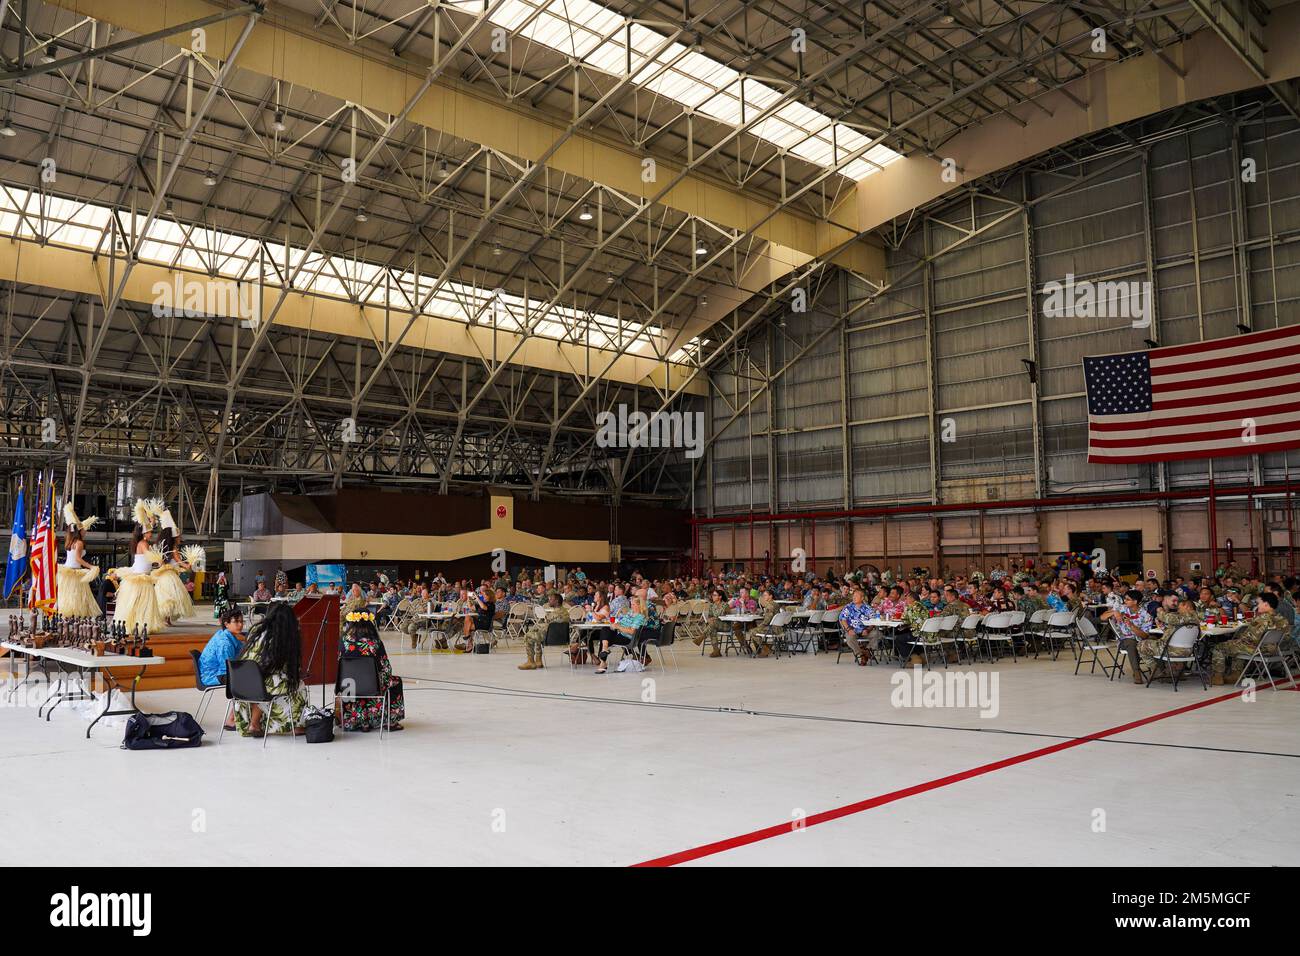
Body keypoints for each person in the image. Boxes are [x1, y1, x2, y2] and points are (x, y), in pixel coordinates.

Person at [232, 602, 308, 737]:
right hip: (260, 683)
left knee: (265, 682)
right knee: (298, 686)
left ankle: (254, 723)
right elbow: (279, 666)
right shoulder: (281, 636)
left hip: (240, 683)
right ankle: (296, 726)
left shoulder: (256, 631)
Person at [337, 615, 404, 732]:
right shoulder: (376, 643)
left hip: (349, 685)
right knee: (396, 682)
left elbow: (338, 665)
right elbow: (386, 668)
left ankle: (357, 720)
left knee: (356, 685)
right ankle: (390, 721)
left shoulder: (343, 642)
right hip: (373, 685)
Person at [110, 499, 166, 634]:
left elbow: (150, 524)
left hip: (142, 575)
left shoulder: (142, 541)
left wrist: (150, 516)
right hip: (140, 577)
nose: (151, 533)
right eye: (149, 532)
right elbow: (150, 556)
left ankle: (138, 624)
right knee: (139, 603)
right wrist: (159, 561)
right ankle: (136, 625)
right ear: (144, 533)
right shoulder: (144, 543)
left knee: (140, 603)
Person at [1210, 592, 1289, 686]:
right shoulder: (1282, 619)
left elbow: (1251, 638)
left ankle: (1217, 677)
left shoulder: (1262, 618)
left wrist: (1240, 637)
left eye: (1258, 603)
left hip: (1257, 649)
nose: (1257, 606)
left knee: (1219, 647)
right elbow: (1286, 637)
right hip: (1273, 649)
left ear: (1266, 604)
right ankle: (1235, 675)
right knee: (1235, 646)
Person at [199, 609, 246, 729]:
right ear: (226, 623)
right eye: (236, 622)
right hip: (213, 675)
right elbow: (226, 669)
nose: (240, 625)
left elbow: (242, 649)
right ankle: (231, 719)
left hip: (218, 672)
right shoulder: (224, 643)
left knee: (248, 676)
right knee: (247, 681)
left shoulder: (226, 634)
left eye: (241, 621)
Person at [149, 500, 193, 624]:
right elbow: (176, 561)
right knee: (170, 597)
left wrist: (186, 565)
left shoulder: (169, 548)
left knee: (167, 597)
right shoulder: (173, 548)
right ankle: (166, 619)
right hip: (169, 576)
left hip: (165, 575)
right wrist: (187, 565)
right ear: (174, 537)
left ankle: (166, 619)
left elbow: (175, 562)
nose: (180, 539)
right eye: (179, 537)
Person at [57, 502, 101, 619]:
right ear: (80, 531)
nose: (85, 531)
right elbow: (78, 559)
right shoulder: (80, 543)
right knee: (78, 597)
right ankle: (75, 618)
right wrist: (91, 567)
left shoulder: (70, 541)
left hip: (67, 571)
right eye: (84, 530)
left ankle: (68, 618)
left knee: (69, 597)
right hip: (75, 572)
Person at [519, 591, 567, 670]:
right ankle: (538, 661)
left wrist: (535, 629)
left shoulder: (555, 614)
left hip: (552, 638)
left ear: (556, 601)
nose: (549, 601)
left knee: (528, 636)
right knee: (537, 633)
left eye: (551, 599)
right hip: (562, 637)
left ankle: (530, 662)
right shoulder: (564, 611)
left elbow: (548, 626)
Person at [838, 588, 876, 665]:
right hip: (852, 629)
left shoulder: (867, 608)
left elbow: (873, 621)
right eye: (853, 596)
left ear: (862, 598)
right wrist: (848, 629)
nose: (854, 597)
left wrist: (868, 630)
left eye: (856, 596)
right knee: (849, 638)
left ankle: (867, 650)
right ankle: (862, 654)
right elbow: (843, 619)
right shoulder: (848, 607)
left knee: (877, 634)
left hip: (864, 630)